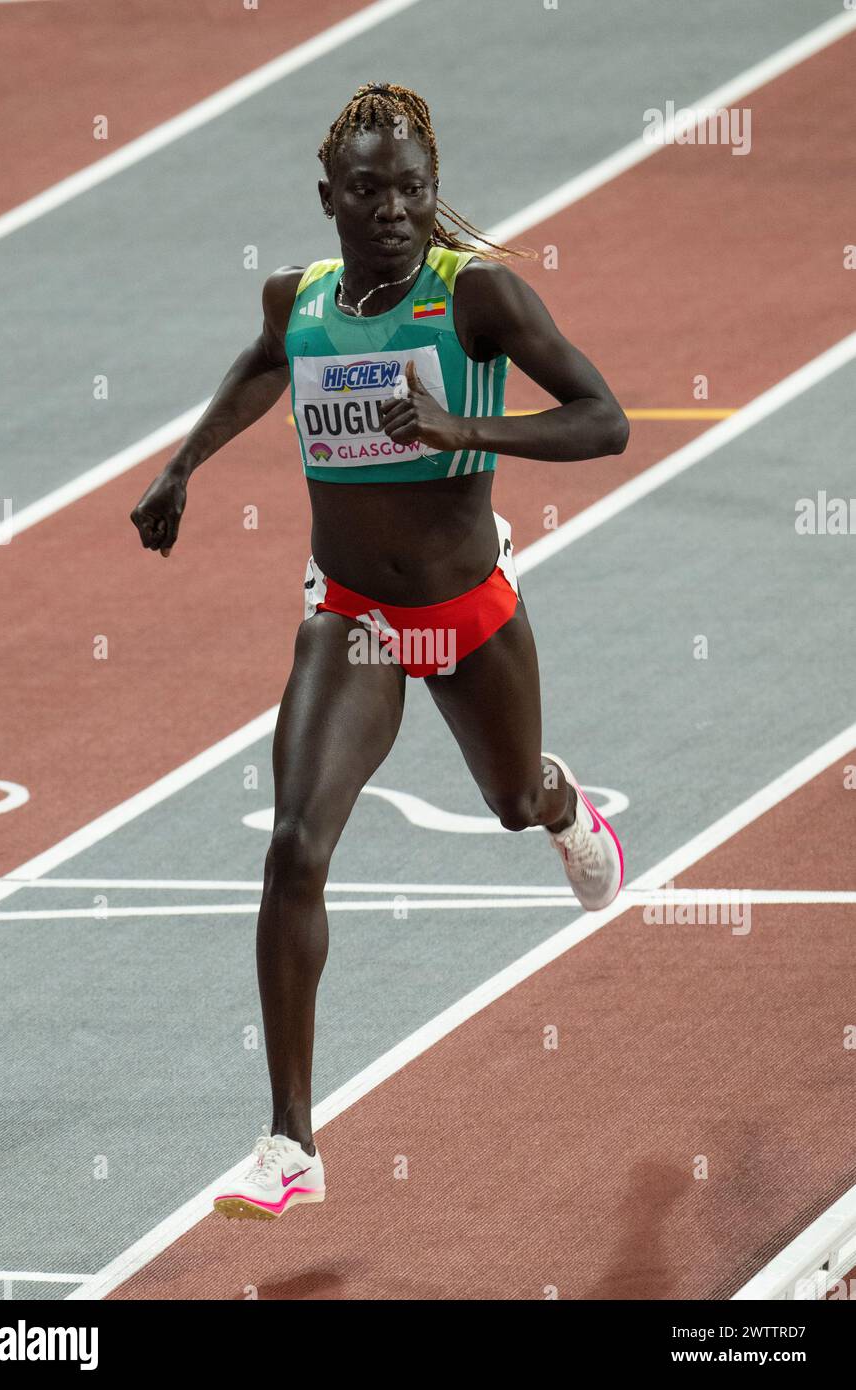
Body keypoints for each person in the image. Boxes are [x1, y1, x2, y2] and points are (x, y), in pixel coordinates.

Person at [131, 81, 629, 1222]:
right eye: (369, 189)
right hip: (350, 617)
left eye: (413, 188)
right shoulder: (300, 302)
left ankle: (562, 807)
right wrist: (183, 466)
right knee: (297, 844)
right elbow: (268, 360)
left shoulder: (480, 299)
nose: (394, 208)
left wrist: (469, 429)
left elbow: (604, 419)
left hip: (466, 612)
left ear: (432, 192)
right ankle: (291, 1140)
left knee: (507, 796)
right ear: (329, 199)